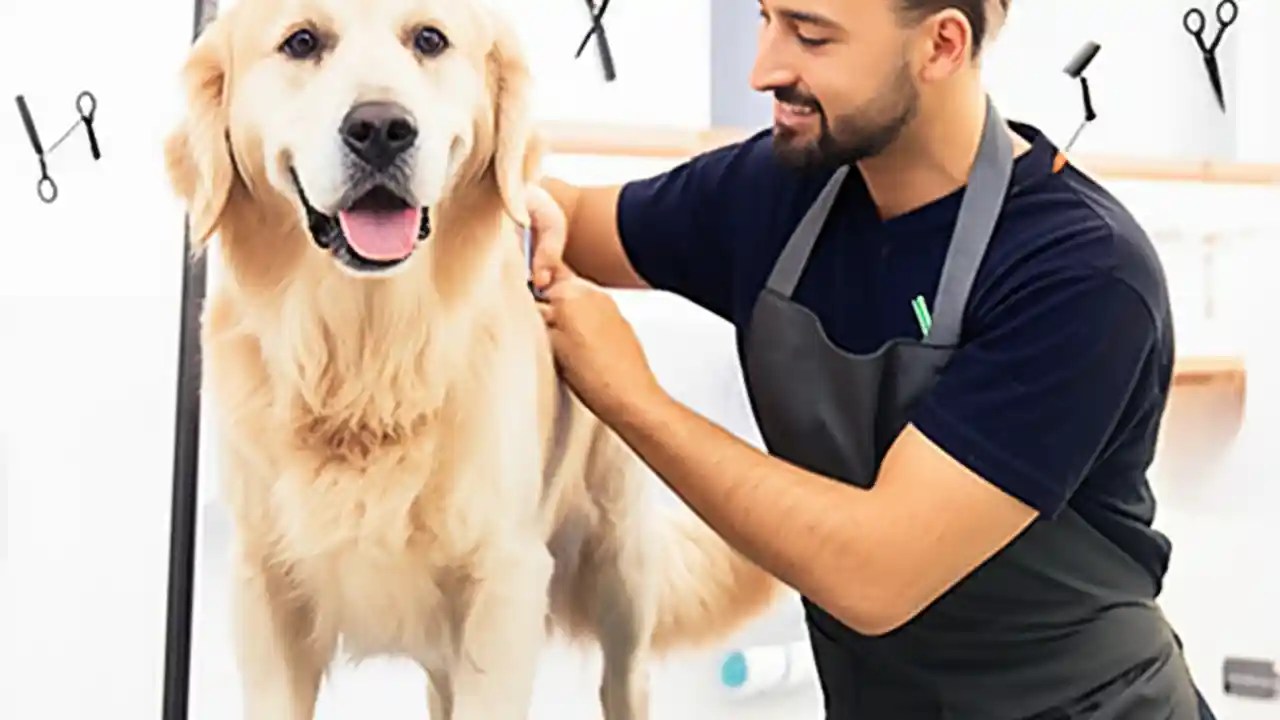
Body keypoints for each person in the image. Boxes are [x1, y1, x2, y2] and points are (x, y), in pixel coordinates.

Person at [524, 0, 1215, 717]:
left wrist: (631, 397)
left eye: (810, 36)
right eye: (764, 19)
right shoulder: (778, 190)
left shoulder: (1078, 271)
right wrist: (447, 165)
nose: (764, 68)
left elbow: (875, 574)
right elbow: (570, 222)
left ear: (942, 45)